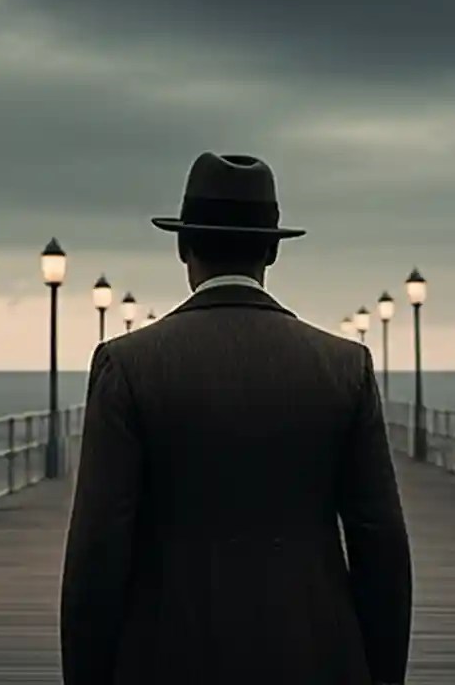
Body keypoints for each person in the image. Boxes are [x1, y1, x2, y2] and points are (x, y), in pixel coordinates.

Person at [61, 152, 412, 684]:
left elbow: (97, 552)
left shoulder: (128, 366)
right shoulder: (344, 367)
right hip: (315, 654)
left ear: (184, 246)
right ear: (272, 249)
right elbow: (380, 544)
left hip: (165, 657)